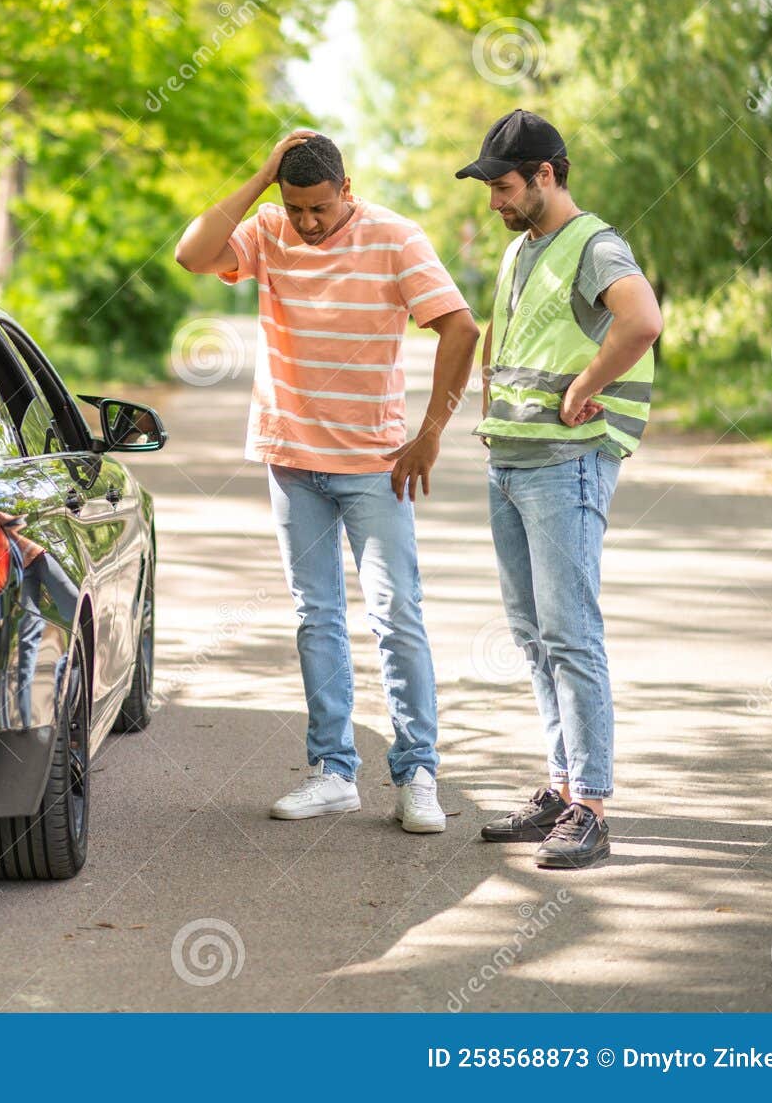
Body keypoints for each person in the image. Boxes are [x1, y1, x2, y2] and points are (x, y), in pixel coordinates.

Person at [175, 130, 479, 833]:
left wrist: (430, 430)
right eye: (296, 206)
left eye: (319, 208)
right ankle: (334, 772)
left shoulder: (396, 239)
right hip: (292, 460)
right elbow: (191, 253)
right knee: (317, 616)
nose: (307, 223)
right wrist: (262, 175)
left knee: (396, 613)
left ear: (348, 189)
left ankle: (418, 773)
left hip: (374, 465)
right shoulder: (269, 229)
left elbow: (460, 329)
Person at [455, 109, 663, 868]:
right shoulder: (522, 248)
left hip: (565, 461)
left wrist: (585, 384)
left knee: (571, 635)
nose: (494, 201)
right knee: (534, 638)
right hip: (511, 461)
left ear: (546, 174)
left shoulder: (594, 243)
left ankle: (593, 807)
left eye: (504, 186)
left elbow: (642, 320)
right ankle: (560, 785)